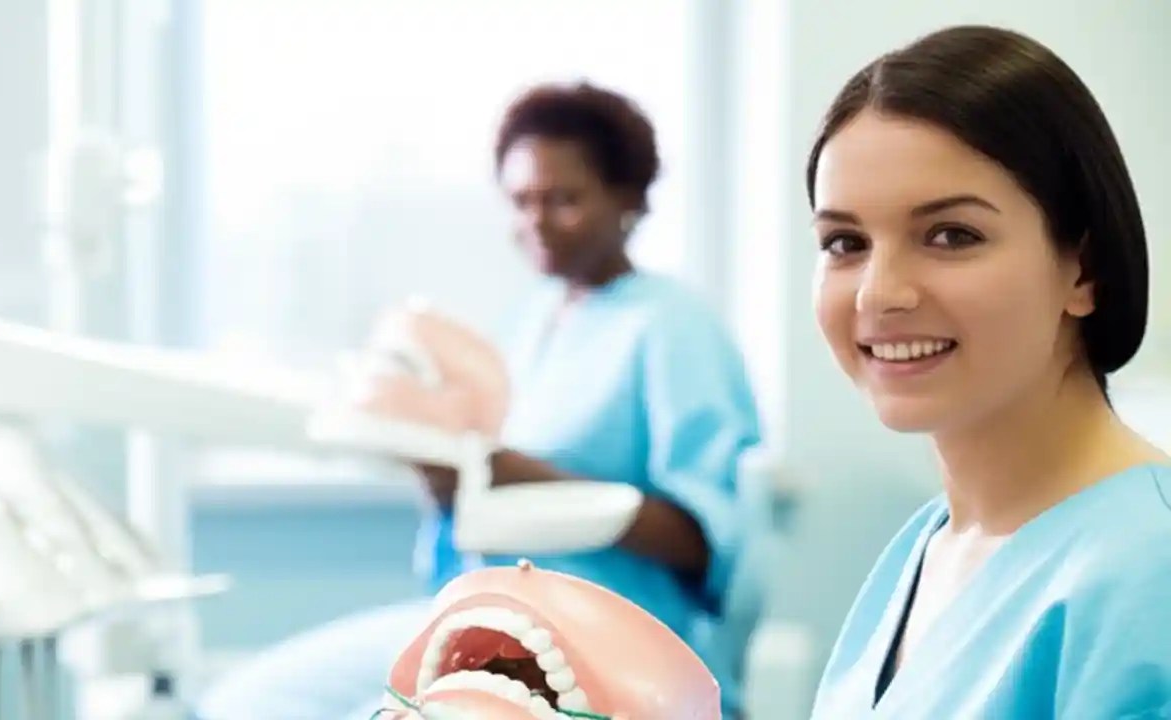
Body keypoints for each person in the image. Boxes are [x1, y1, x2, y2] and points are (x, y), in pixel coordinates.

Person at [197, 81, 764, 720]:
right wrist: (444, 474)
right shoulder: (531, 321)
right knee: (249, 700)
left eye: (564, 199)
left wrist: (511, 474)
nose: (537, 222)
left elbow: (706, 541)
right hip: (490, 612)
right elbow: (481, 479)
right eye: (521, 202)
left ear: (628, 196)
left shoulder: (673, 328)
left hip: (600, 633)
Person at [805, 24, 1171, 718]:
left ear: (1083, 270)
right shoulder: (925, 545)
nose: (878, 294)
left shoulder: (1151, 573)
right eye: (844, 242)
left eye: (951, 236)